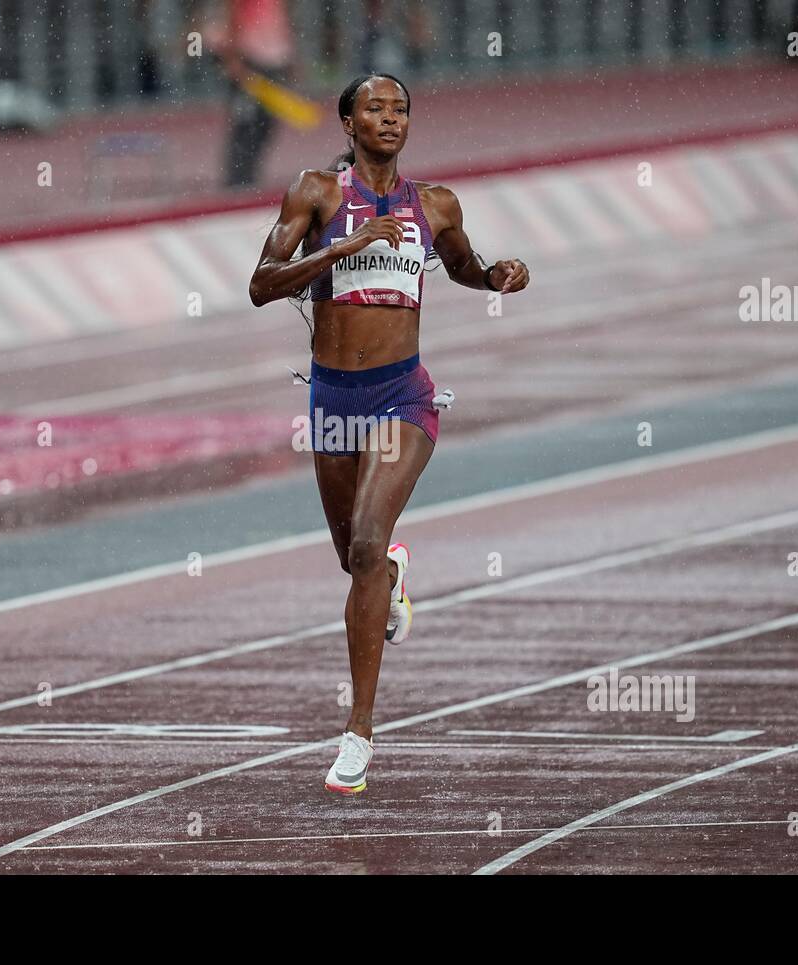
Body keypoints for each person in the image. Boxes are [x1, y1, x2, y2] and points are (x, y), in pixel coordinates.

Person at [248, 73, 529, 793]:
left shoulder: (434, 204)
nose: (390, 119)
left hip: (403, 394)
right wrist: (341, 250)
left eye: (400, 109)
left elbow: (464, 266)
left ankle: (359, 731)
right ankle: (394, 574)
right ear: (347, 121)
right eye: (375, 108)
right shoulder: (316, 193)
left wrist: (498, 276)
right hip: (334, 398)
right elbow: (261, 283)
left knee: (368, 539)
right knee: (356, 559)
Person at [206, 0, 296, 189]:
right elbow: (234, 17)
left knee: (264, 123)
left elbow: (279, 20)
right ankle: (238, 179)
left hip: (270, 58)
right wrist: (234, 59)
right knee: (247, 123)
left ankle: (247, 176)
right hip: (251, 59)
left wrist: (287, 56)